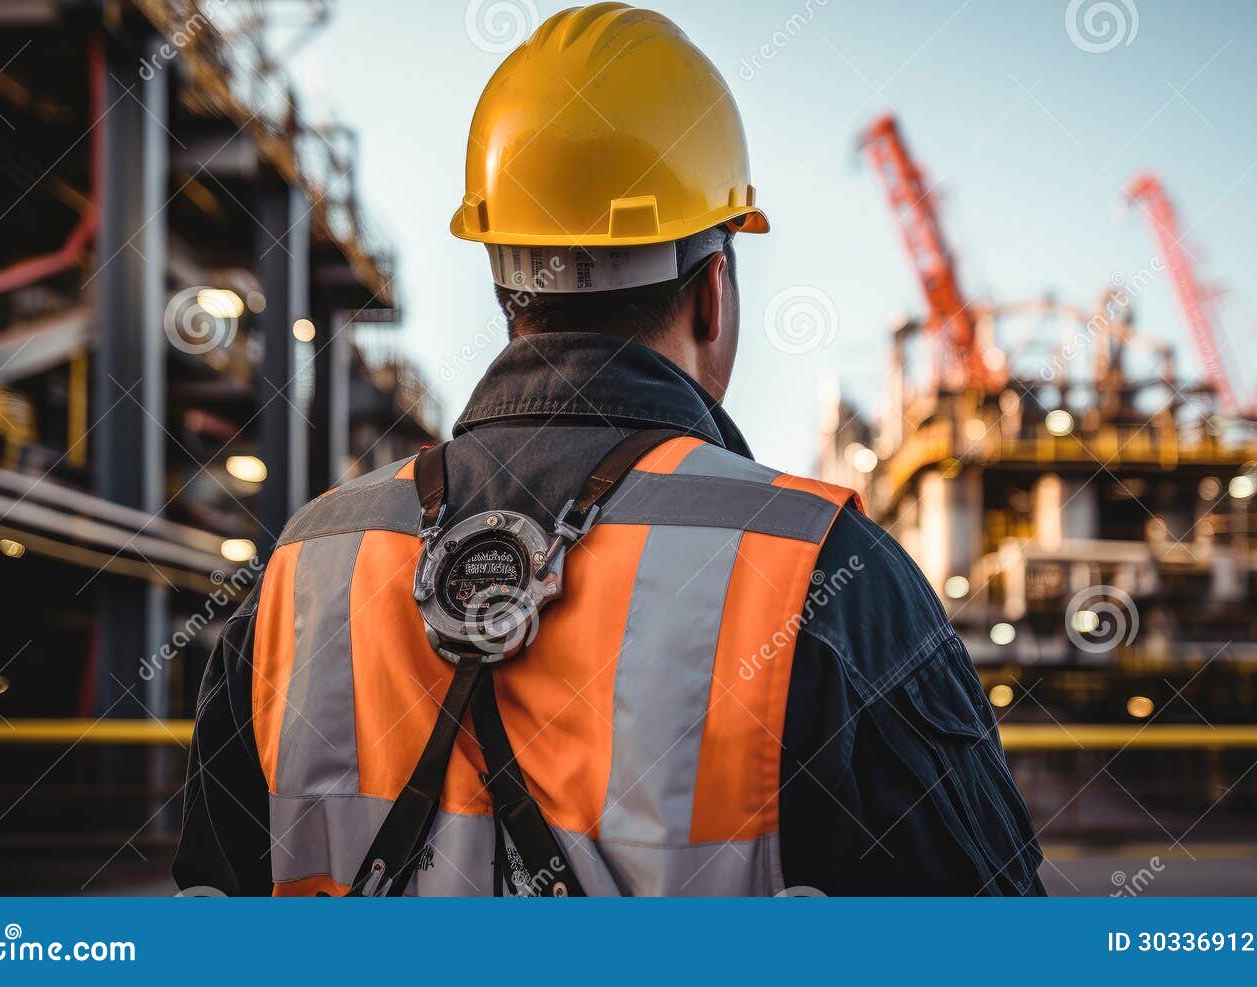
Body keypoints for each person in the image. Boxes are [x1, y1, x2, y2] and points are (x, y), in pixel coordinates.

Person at [175, 2, 1044, 897]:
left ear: (507, 284)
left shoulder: (302, 569)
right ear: (714, 291)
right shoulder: (824, 571)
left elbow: (211, 911)